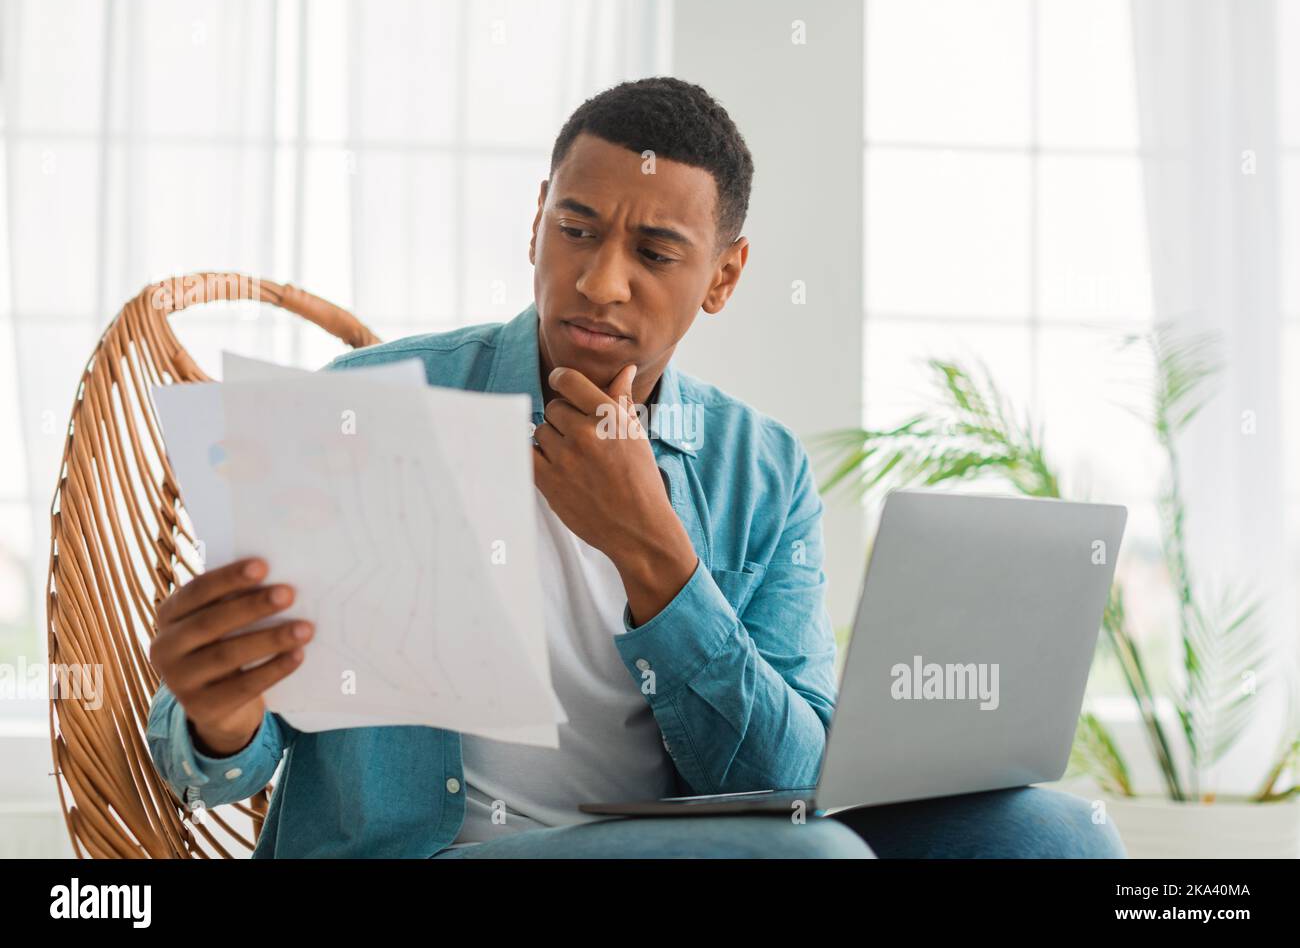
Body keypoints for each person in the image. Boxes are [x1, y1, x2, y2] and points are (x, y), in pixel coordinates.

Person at [146, 76, 1125, 859]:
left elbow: (792, 776)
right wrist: (220, 714)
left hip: (668, 838)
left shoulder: (760, 469)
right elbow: (213, 761)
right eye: (576, 228)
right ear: (537, 221)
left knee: (1058, 835)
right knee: (814, 861)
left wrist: (654, 553)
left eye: (655, 251)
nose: (599, 280)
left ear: (724, 276)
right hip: (431, 848)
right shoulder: (370, 406)